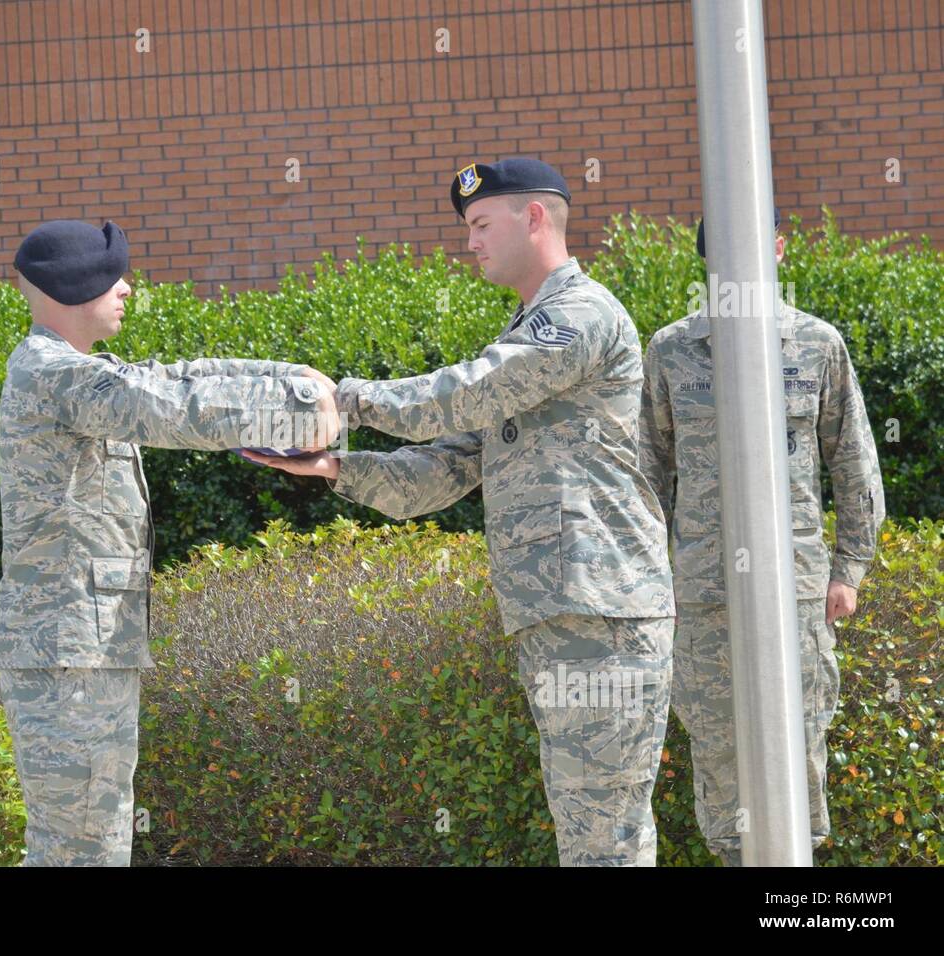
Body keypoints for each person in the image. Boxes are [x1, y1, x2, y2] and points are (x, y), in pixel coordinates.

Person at [244, 158, 676, 866]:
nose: (468, 242)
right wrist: (335, 468)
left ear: (533, 217)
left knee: (607, 835)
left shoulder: (578, 318)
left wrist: (344, 398)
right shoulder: (528, 329)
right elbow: (445, 467)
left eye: (480, 224)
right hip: (562, 613)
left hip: (605, 614)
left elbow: (467, 394)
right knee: (588, 827)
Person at [0, 218, 338, 865]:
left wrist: (294, 377)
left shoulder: (72, 372)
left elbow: (176, 376)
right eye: (112, 276)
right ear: (74, 285)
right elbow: (167, 406)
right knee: (77, 848)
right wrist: (290, 407)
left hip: (85, 649)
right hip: (68, 653)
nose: (126, 288)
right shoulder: (54, 376)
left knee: (93, 839)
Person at [638, 213, 885, 865]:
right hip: (705, 596)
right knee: (721, 757)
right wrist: (649, 577)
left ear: (779, 248)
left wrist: (848, 569)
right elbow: (646, 471)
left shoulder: (817, 345)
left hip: (796, 592)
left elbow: (855, 462)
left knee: (799, 752)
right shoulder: (670, 351)